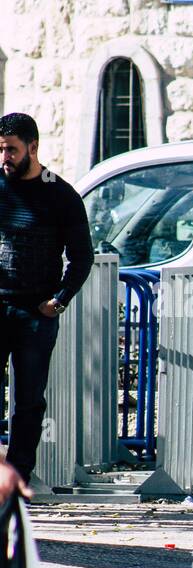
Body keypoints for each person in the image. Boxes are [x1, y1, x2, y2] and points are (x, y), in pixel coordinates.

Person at [0, 113, 92, 484]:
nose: (4, 157)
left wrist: (59, 300)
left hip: (37, 311)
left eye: (11, 150)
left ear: (33, 148)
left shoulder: (60, 195)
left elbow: (82, 256)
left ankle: (18, 476)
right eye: (1, 150)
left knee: (29, 400)